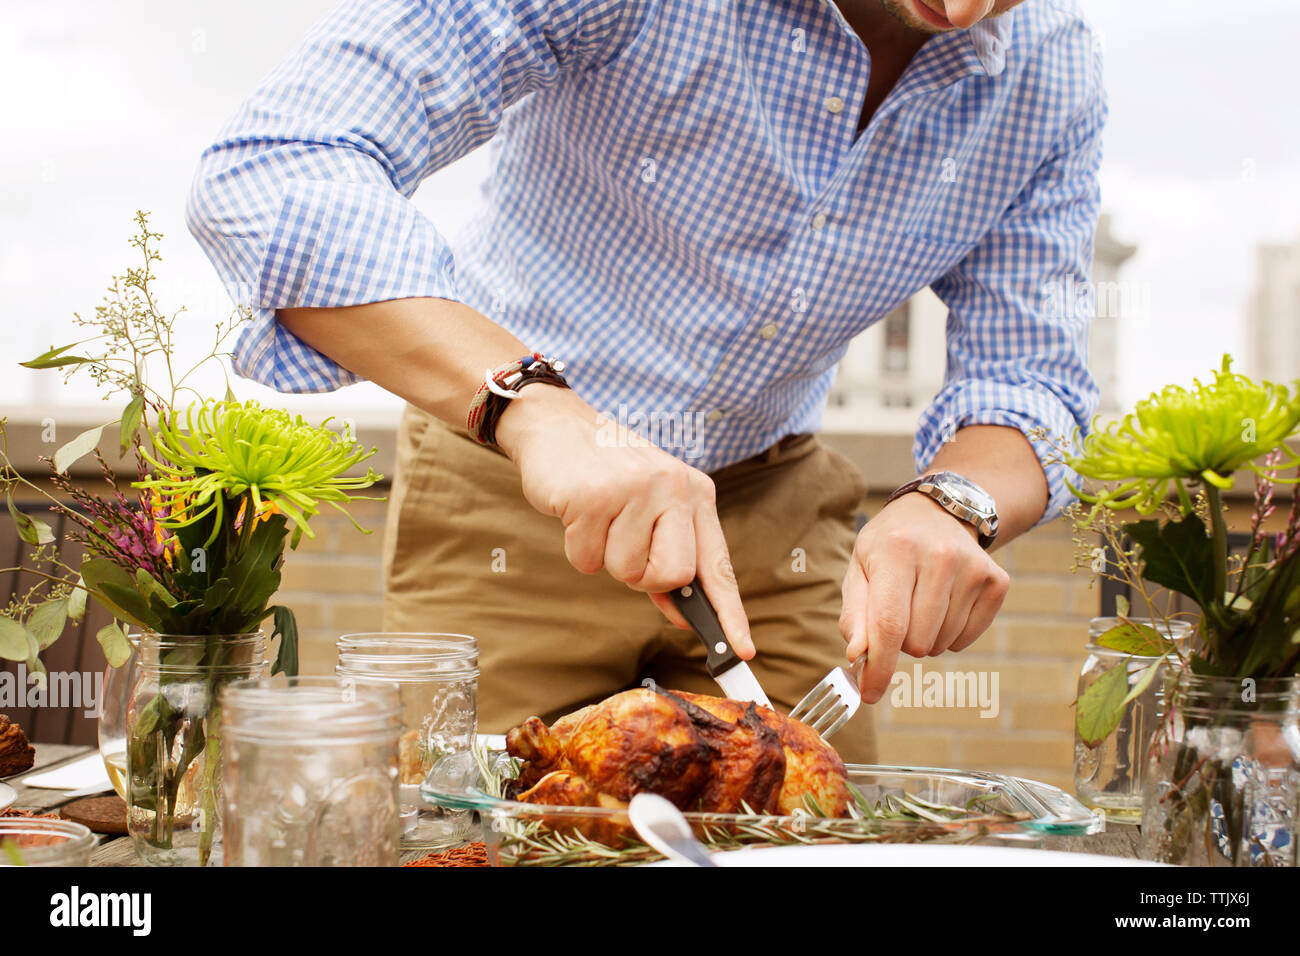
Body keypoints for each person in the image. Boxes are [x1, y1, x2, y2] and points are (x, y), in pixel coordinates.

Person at [186, 0, 1104, 763]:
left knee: (801, 837)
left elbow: (1032, 376)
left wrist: (953, 503)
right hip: (512, 497)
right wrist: (537, 410)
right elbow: (276, 166)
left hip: (778, 529)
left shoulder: (1052, 73)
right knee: (480, 829)